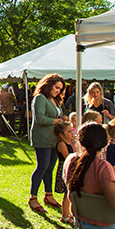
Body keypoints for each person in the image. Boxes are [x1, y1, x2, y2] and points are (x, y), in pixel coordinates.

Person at [28, 73, 68, 213]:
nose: (58, 91)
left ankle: (48, 195)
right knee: (42, 166)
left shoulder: (55, 100)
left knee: (50, 167)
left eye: (60, 89)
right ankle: (33, 197)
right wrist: (58, 121)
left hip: (54, 139)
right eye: (56, 87)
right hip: (42, 138)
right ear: (48, 85)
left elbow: (56, 115)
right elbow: (40, 118)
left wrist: (64, 118)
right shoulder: (40, 98)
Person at [53, 121, 75, 224]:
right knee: (67, 193)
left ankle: (68, 213)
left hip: (70, 168)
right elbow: (68, 157)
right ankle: (65, 215)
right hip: (65, 168)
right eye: (69, 131)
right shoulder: (61, 144)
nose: (72, 133)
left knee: (68, 193)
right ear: (62, 135)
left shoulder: (69, 143)